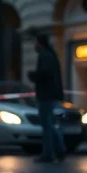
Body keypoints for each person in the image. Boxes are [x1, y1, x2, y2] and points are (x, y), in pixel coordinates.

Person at [27, 33, 66, 163]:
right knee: (51, 124)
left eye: (35, 43)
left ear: (40, 43)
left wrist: (33, 75)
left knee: (47, 125)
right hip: (52, 95)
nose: (34, 46)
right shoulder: (51, 55)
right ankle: (59, 151)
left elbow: (44, 75)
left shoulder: (45, 56)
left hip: (46, 96)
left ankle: (48, 154)